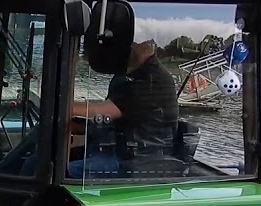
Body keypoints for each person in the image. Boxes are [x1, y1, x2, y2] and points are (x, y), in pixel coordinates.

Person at [68, 39, 180, 178]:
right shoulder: (129, 74)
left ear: (143, 46)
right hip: (116, 147)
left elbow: (103, 110)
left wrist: (60, 106)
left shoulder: (150, 80)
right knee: (55, 157)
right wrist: (78, 126)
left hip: (135, 160)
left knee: (62, 171)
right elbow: (112, 120)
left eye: (131, 42)